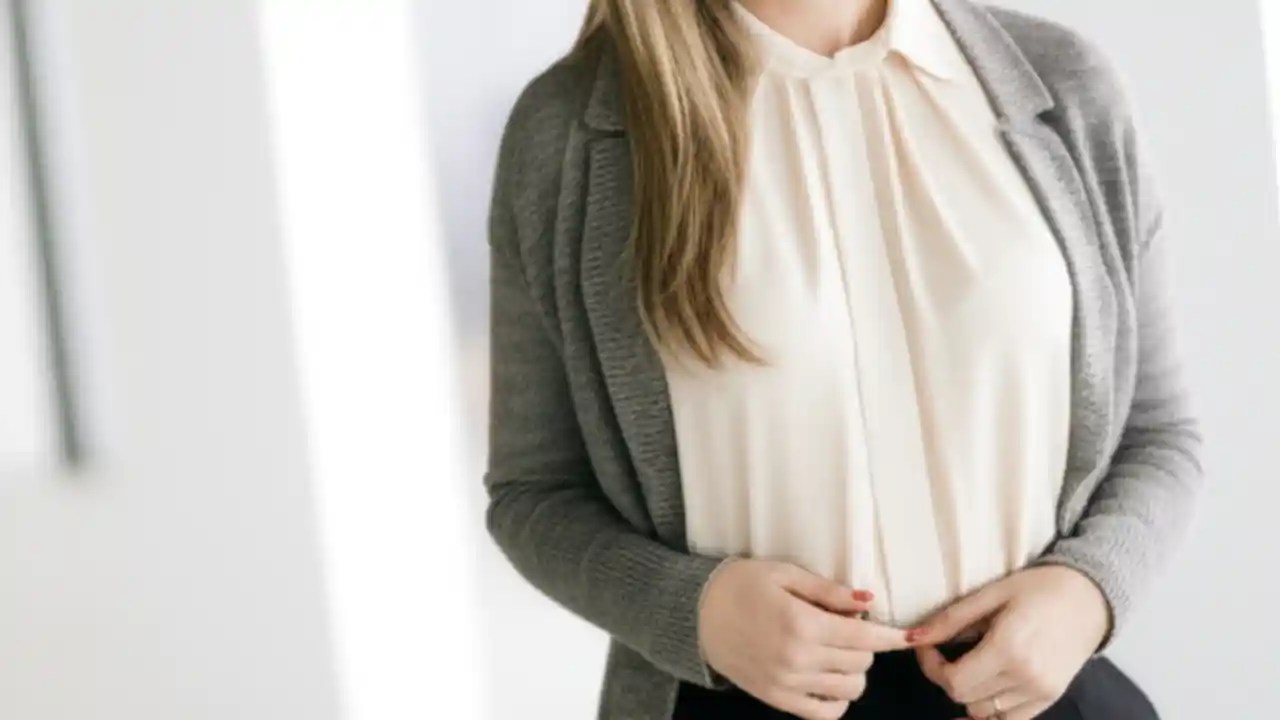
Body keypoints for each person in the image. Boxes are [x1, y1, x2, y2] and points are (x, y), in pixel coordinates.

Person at [482, 1, 1203, 718]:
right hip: (735, 703)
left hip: (1043, 696)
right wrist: (692, 610)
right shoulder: (571, 132)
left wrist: (1091, 589)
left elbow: (1158, 433)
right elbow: (534, 493)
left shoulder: (1062, 80)